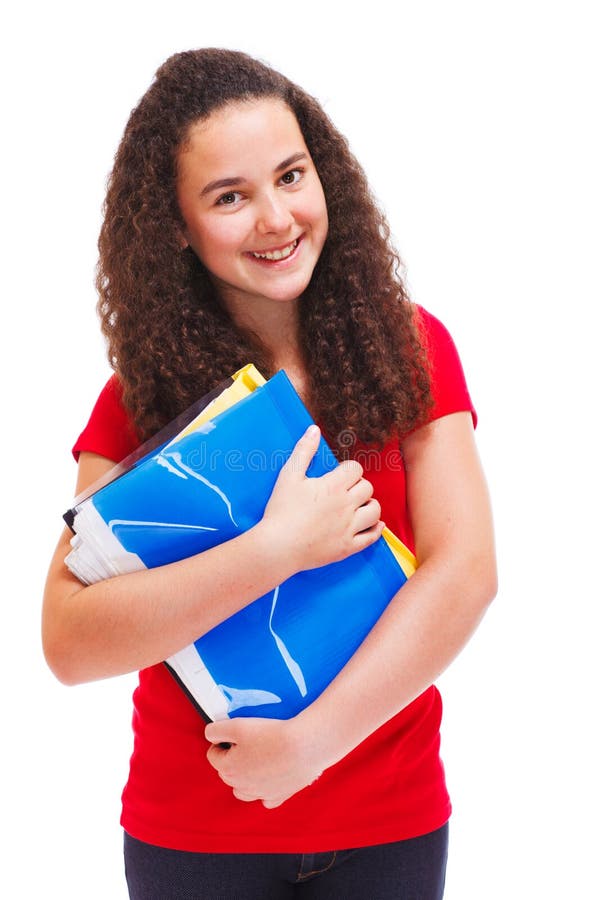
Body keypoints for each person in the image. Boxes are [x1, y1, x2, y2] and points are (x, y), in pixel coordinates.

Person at [42, 48, 496, 899]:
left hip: (388, 824)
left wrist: (313, 743)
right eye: (229, 197)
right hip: (193, 836)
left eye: (291, 176)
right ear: (176, 224)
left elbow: (467, 573)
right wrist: (276, 548)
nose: (276, 218)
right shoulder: (140, 398)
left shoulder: (410, 349)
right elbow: (69, 639)